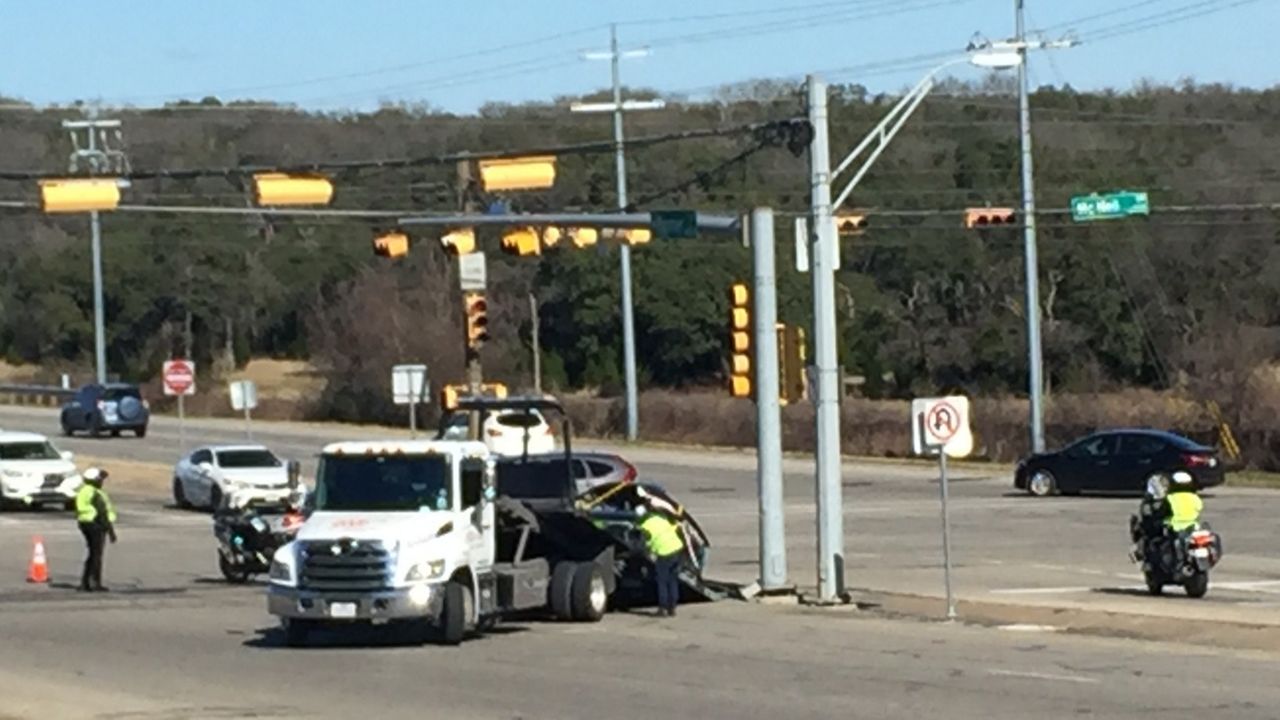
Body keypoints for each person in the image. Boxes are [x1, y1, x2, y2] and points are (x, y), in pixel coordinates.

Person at [636, 502, 685, 617]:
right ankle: (672, 607)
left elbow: (642, 546)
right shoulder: (660, 518)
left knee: (662, 581)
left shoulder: (644, 527)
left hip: (665, 553)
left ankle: (662, 608)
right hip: (677, 549)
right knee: (672, 579)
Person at [75, 467, 117, 592]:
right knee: (96, 555)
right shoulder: (95, 493)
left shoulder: (84, 491)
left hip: (85, 523)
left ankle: (86, 582)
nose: (102, 481)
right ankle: (93, 582)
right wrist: (111, 532)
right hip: (95, 524)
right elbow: (102, 513)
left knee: (92, 553)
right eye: (100, 479)